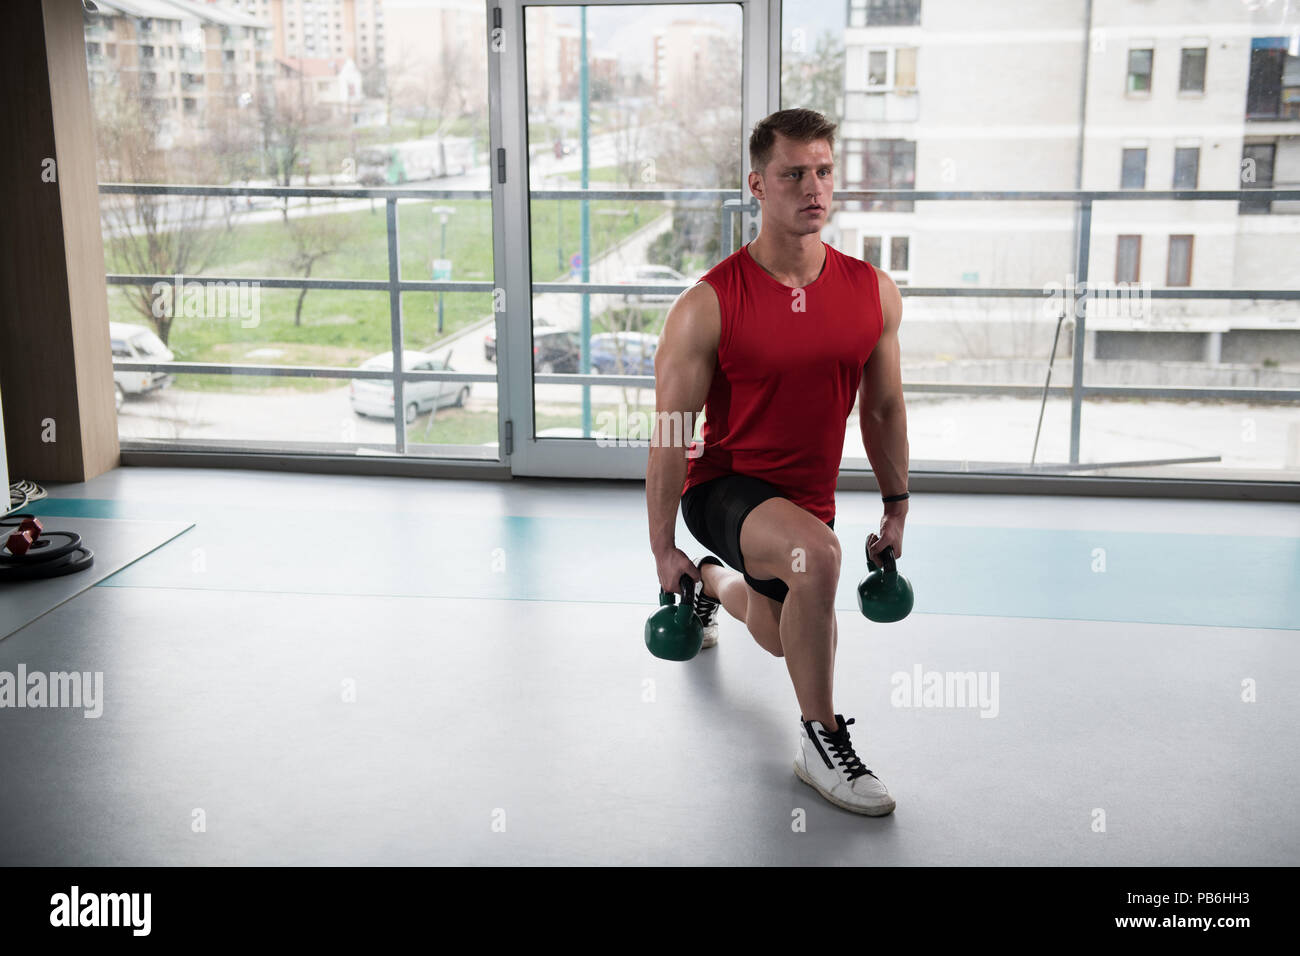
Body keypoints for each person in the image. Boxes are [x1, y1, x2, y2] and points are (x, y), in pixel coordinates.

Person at [645, 108, 909, 817]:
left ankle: (713, 586)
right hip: (725, 487)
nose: (813, 187)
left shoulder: (870, 292)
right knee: (818, 558)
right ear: (758, 185)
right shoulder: (708, 304)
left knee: (774, 631)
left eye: (823, 170)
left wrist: (897, 504)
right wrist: (663, 543)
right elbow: (672, 430)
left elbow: (882, 409)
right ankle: (822, 744)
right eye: (794, 174)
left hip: (803, 504)